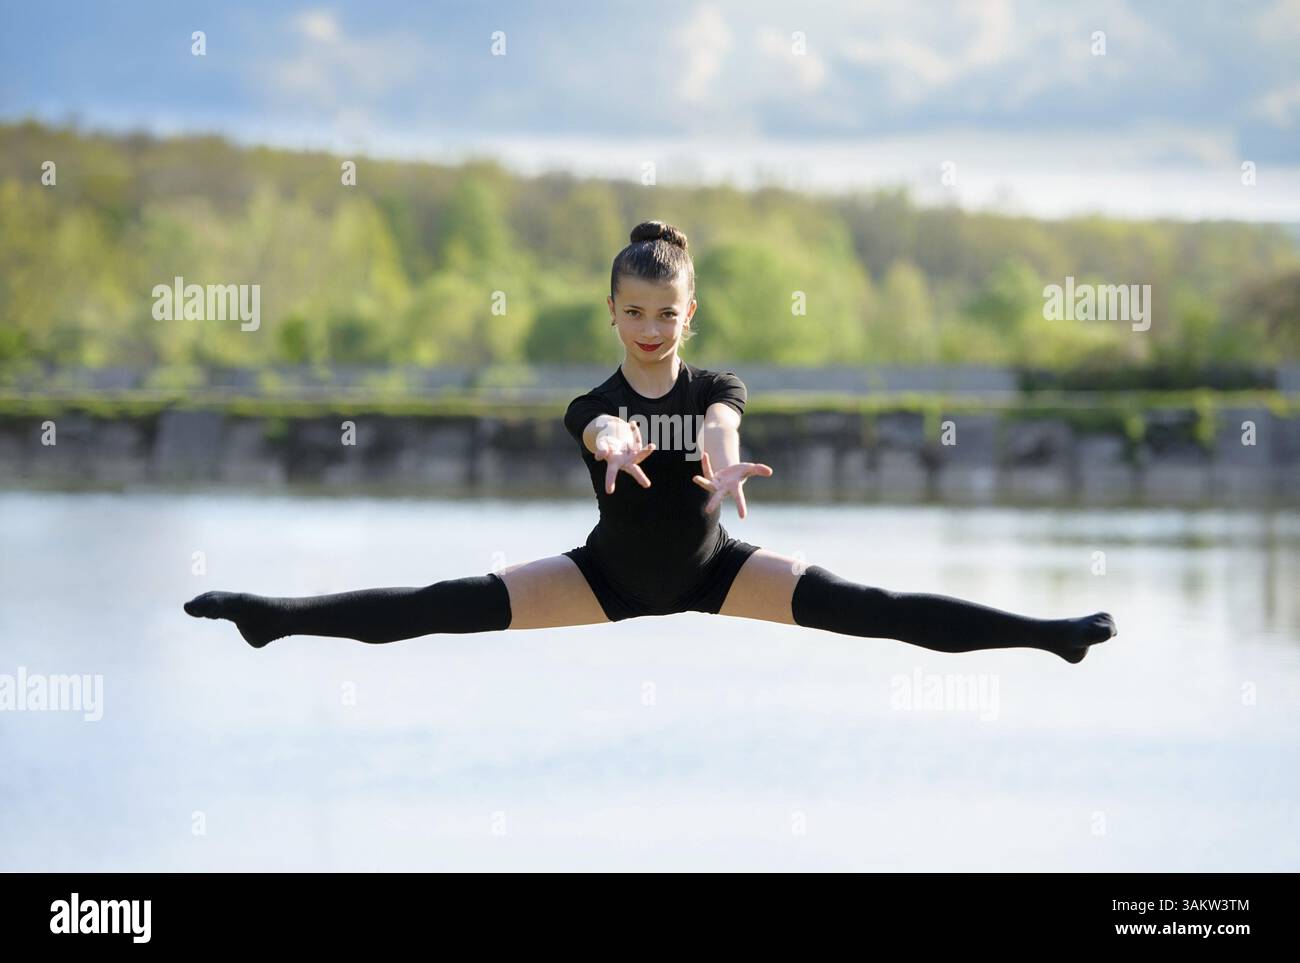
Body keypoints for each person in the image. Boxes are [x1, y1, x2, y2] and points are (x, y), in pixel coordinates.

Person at [185, 220, 1117, 662]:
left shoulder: (715, 388)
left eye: (666, 313)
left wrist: (721, 457)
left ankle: (1050, 636)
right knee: (444, 603)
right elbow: (603, 426)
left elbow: (720, 422)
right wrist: (614, 442)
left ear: (688, 313)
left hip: (717, 569)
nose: (650, 328)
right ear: (612, 310)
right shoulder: (593, 402)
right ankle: (277, 615)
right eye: (634, 312)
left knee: (871, 606)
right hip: (606, 575)